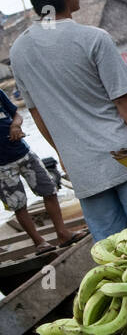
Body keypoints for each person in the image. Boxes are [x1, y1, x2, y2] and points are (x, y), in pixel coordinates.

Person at [9, 0, 127, 240]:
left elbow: (38, 115)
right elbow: (125, 102)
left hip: (84, 171)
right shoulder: (93, 38)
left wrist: (64, 155)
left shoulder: (19, 52)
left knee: (114, 255)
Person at [0, 87, 85, 253]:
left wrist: (16, 125)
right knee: (18, 204)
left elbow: (16, 114)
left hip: (23, 153)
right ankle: (39, 242)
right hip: (2, 166)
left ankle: (63, 234)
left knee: (49, 190)